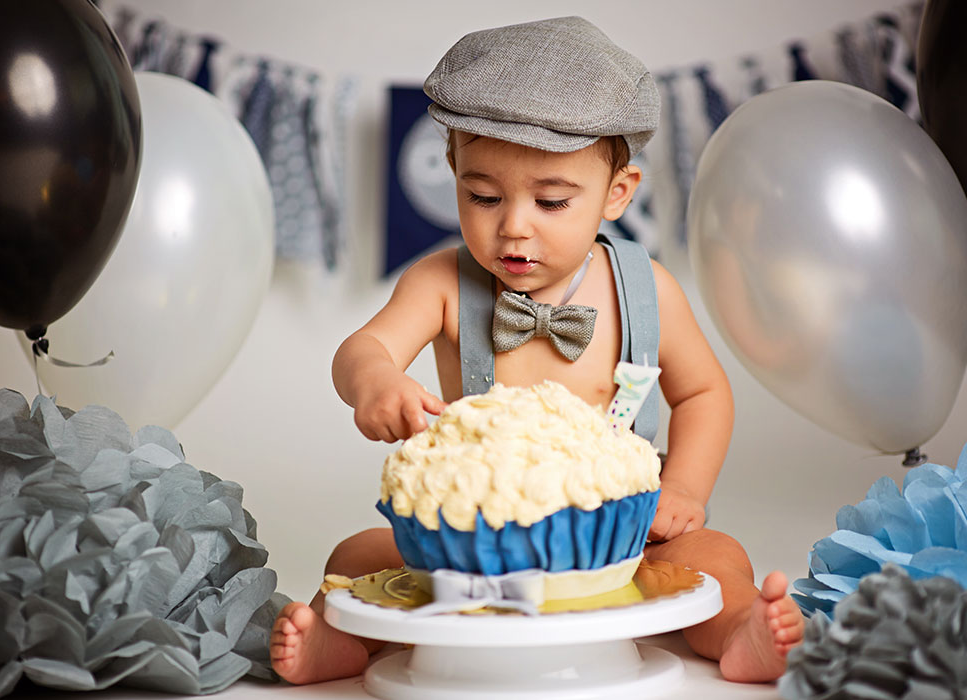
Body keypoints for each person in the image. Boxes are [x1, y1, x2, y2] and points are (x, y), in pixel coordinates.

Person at [270, 16, 804, 685]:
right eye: (482, 195)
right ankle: (336, 644)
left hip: (618, 541)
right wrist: (376, 379)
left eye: (551, 201)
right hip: (474, 540)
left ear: (617, 194)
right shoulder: (442, 284)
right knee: (360, 555)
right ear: (452, 173)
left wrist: (683, 489)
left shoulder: (644, 289)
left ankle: (736, 633)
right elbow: (364, 346)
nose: (512, 226)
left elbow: (703, 392)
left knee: (717, 558)